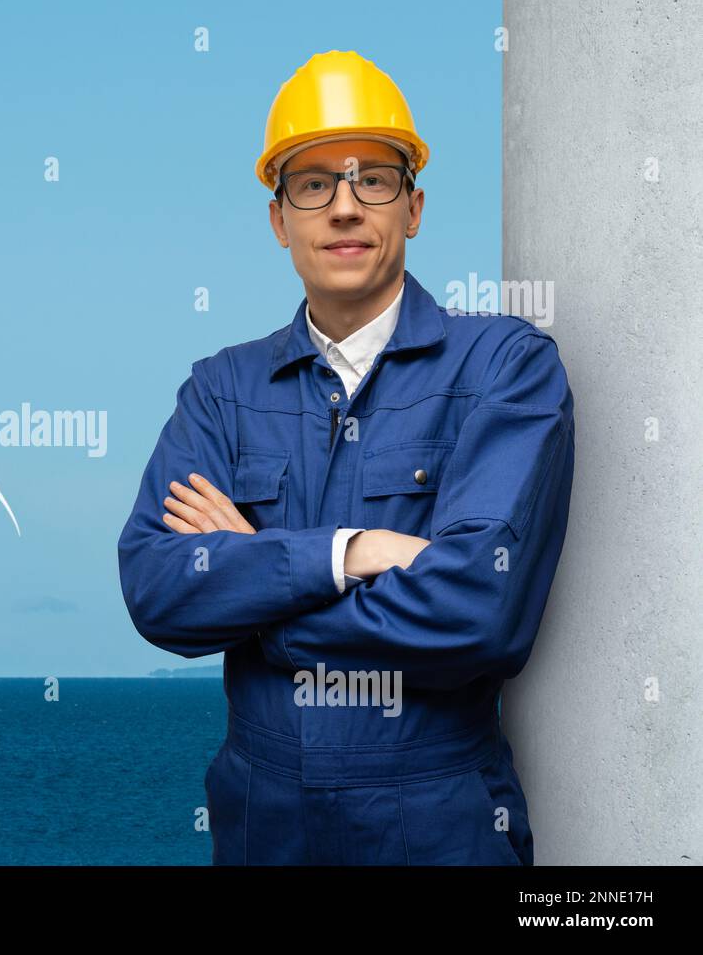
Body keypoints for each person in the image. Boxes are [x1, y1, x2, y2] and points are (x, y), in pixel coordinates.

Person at [116, 50, 575, 864]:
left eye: (373, 180)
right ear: (278, 219)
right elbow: (157, 590)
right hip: (263, 832)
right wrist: (351, 553)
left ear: (415, 207)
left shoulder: (505, 367)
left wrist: (258, 589)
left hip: (443, 832)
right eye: (313, 183)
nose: (344, 207)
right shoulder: (221, 392)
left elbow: (481, 612)